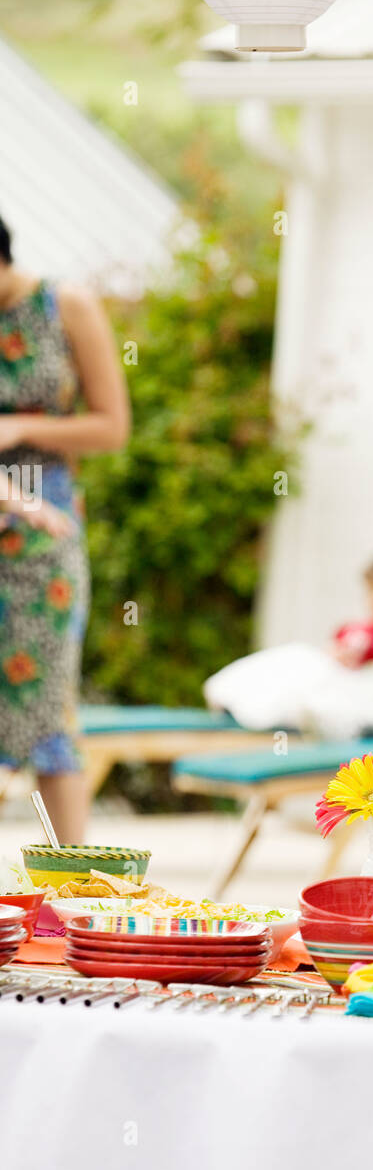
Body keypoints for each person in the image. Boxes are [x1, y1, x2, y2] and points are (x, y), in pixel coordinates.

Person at [0, 213, 130, 843]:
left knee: (48, 701)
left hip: (42, 531)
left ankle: (73, 877)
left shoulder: (65, 306)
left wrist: (23, 428)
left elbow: (112, 427)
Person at [204, 552, 373, 739]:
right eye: (369, 592)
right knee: (298, 657)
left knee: (302, 666)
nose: (371, 601)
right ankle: (229, 694)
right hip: (350, 680)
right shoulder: (367, 630)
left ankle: (243, 705)